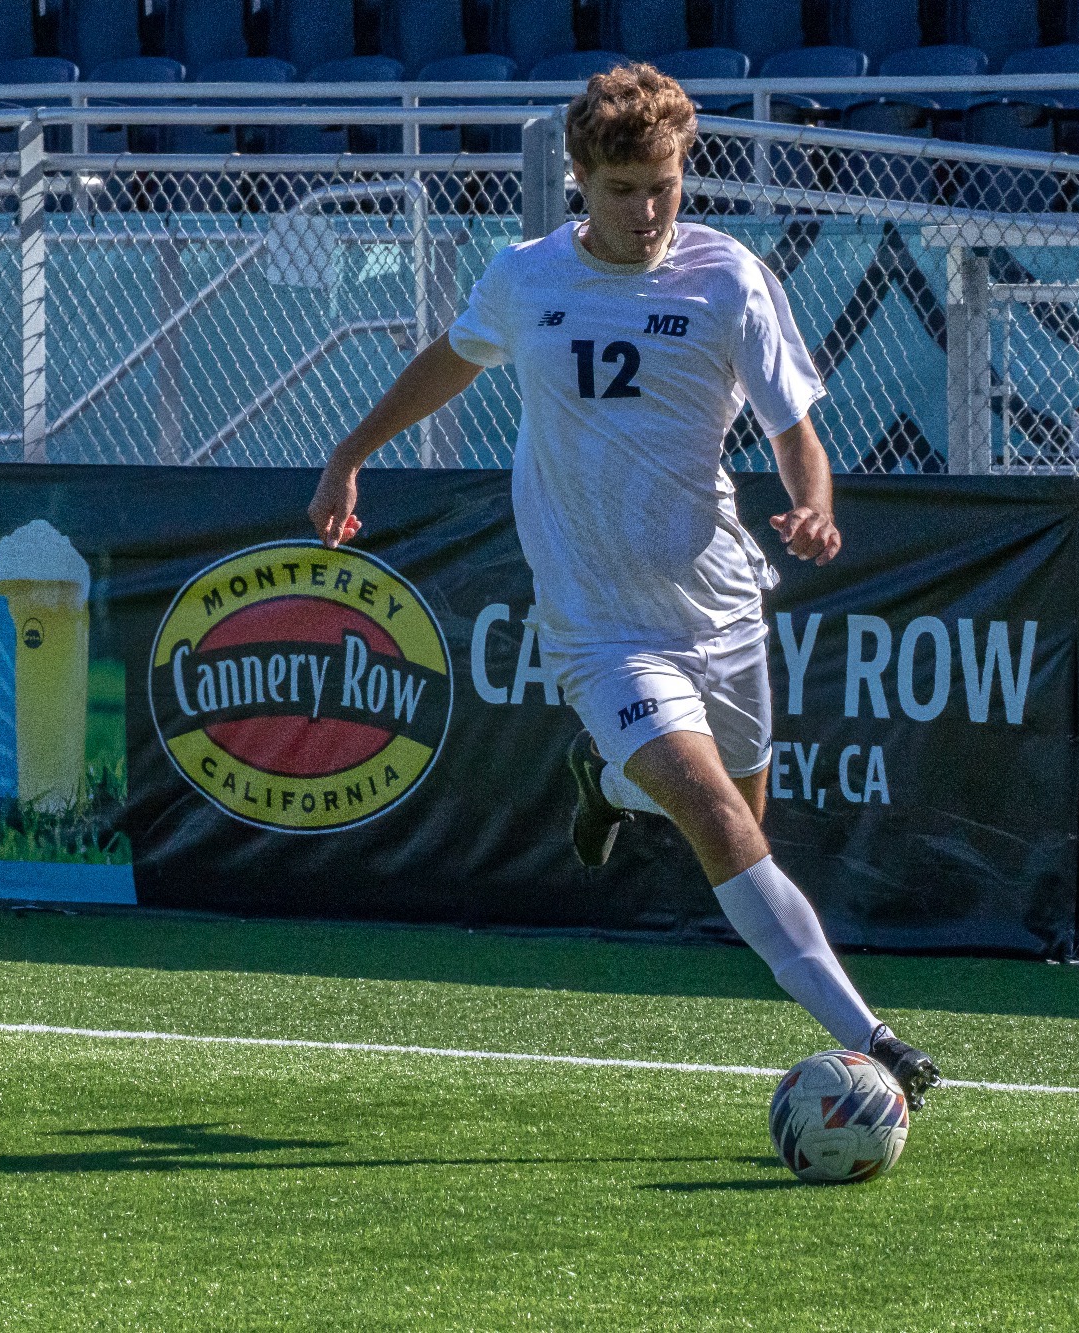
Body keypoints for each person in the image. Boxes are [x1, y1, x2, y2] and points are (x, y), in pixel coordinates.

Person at [308, 63, 941, 1108]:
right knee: (712, 819)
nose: (647, 212)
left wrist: (812, 504)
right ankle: (875, 1039)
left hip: (721, 604)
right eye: (622, 190)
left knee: (738, 818)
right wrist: (348, 454)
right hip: (599, 626)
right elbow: (450, 359)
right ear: (578, 180)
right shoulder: (525, 279)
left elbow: (794, 431)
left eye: (663, 185)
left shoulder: (727, 278)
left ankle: (599, 781)